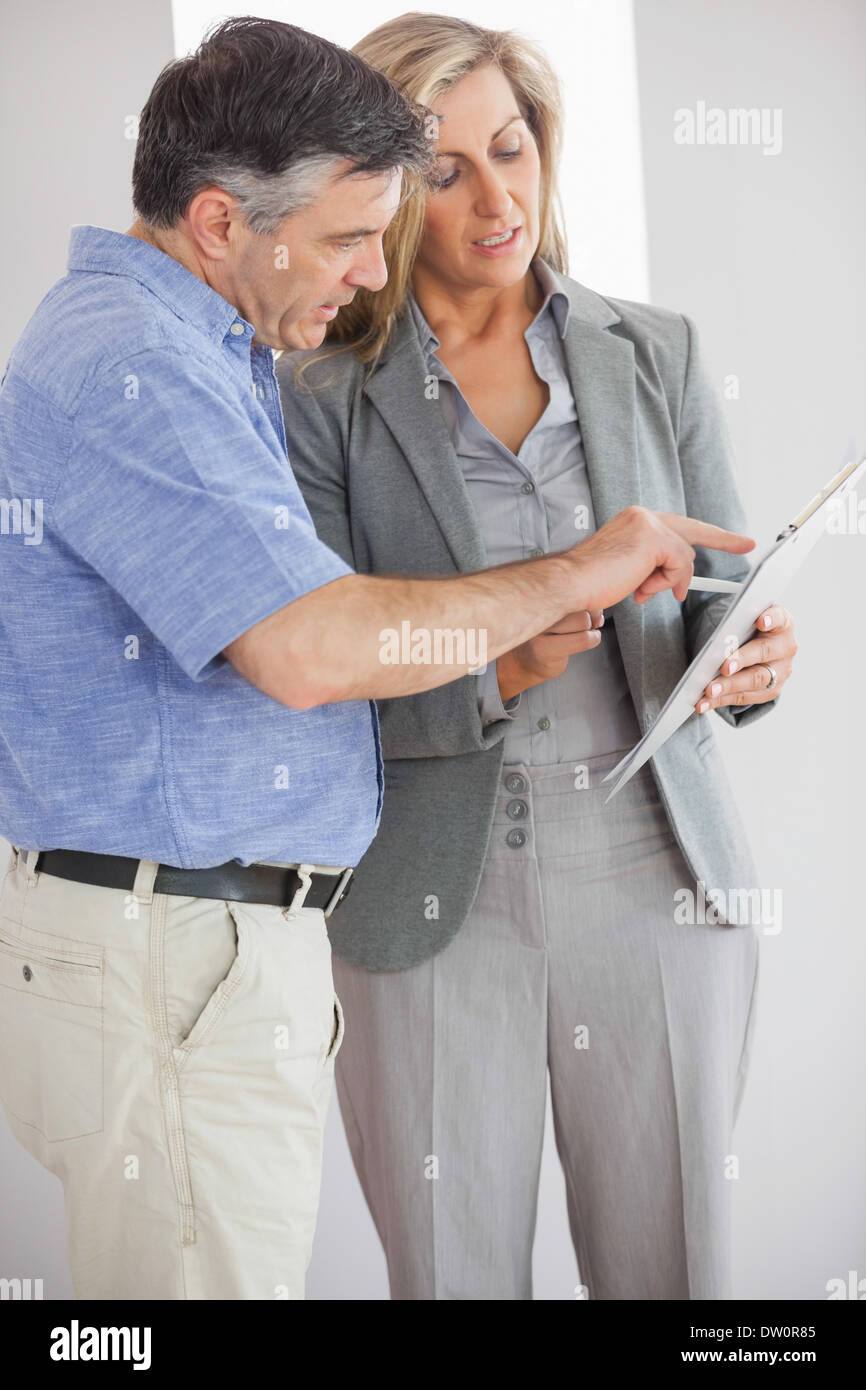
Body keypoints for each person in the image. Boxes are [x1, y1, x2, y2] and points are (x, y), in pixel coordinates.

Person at [0, 16, 751, 1301]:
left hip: (221, 942)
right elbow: (306, 645)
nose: (369, 264)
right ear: (222, 220)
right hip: (192, 944)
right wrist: (563, 582)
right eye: (353, 234)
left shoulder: (210, 349)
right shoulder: (147, 365)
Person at [276, 12, 799, 1300]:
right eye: (442, 171)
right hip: (433, 898)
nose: (493, 197)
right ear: (387, 192)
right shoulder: (320, 399)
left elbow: (719, 589)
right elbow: (308, 676)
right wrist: (493, 669)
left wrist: (755, 662)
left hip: (655, 880)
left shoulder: (653, 349)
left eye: (509, 148)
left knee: (677, 1279)